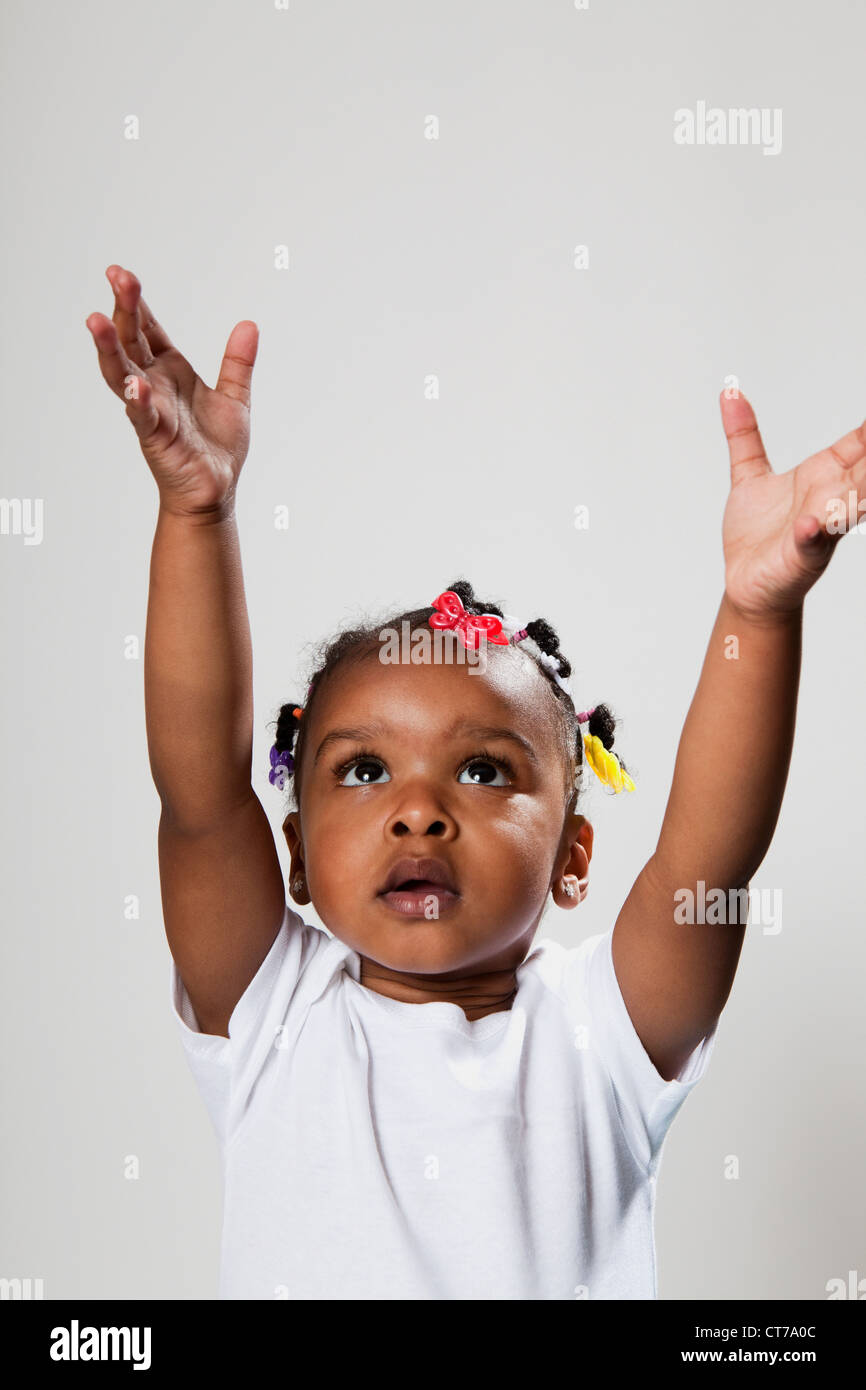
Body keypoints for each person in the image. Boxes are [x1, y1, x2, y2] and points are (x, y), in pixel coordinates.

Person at [86, 264, 864, 1300]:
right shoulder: (276, 1013)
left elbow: (706, 856)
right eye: (362, 769)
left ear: (571, 856)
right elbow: (198, 793)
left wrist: (756, 616)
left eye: (484, 770)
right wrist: (195, 514)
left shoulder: (600, 1033)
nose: (418, 808)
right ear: (296, 858)